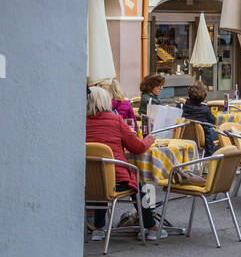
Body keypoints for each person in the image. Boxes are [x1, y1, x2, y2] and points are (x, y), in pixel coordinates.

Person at [85, 85, 163, 241]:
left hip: (88, 181)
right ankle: (151, 226)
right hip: (117, 179)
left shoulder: (80, 123)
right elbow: (137, 148)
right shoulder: (115, 120)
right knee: (139, 186)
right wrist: (148, 140)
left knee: (101, 178)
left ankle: (98, 229)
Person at [181, 81, 219, 156]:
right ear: (203, 96)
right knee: (221, 135)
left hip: (185, 138)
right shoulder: (205, 110)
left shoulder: (182, 107)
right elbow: (212, 122)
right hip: (203, 140)